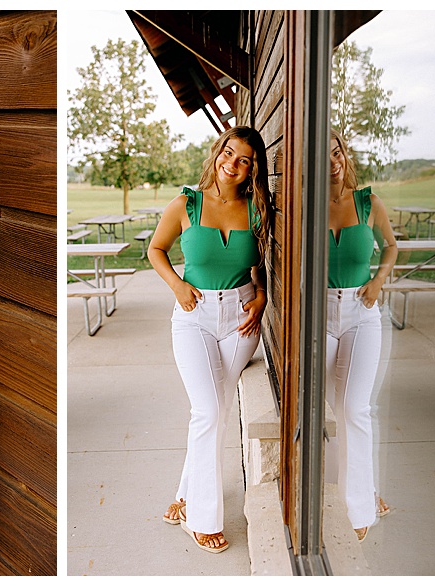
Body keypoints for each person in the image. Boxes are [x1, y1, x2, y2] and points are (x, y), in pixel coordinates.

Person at [148, 126, 271, 554]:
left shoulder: (258, 210)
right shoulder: (187, 203)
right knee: (208, 411)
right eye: (228, 153)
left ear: (253, 171)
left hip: (239, 320)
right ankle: (201, 517)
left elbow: (261, 270)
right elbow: (155, 249)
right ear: (217, 152)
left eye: (244, 161)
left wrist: (262, 297)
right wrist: (177, 286)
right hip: (193, 315)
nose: (232, 164)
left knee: (211, 412)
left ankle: (184, 494)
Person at [326, 129, 396, 541]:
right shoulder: (305, 205)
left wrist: (378, 281)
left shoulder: (369, 202)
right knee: (327, 408)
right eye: (322, 157)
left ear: (344, 156)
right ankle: (358, 488)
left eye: (336, 153)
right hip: (318, 313)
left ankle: (361, 506)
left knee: (355, 409)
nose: (332, 162)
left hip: (361, 311)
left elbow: (391, 247)